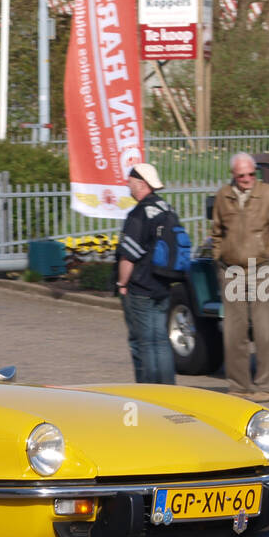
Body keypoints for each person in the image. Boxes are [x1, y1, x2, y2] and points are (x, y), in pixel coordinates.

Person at [211, 152, 269, 403]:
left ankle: (265, 386)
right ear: (233, 175)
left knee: (265, 331)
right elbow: (216, 232)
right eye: (241, 175)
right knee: (234, 333)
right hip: (232, 271)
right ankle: (238, 386)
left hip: (262, 270)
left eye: (250, 174)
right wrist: (219, 260)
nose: (246, 179)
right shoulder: (223, 196)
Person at [116, 162, 176, 384]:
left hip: (141, 286)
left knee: (145, 342)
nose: (128, 187)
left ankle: (150, 391)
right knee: (161, 340)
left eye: (130, 183)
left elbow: (128, 256)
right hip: (163, 283)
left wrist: (122, 283)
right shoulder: (167, 209)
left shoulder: (139, 214)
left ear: (141, 183)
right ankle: (169, 388)